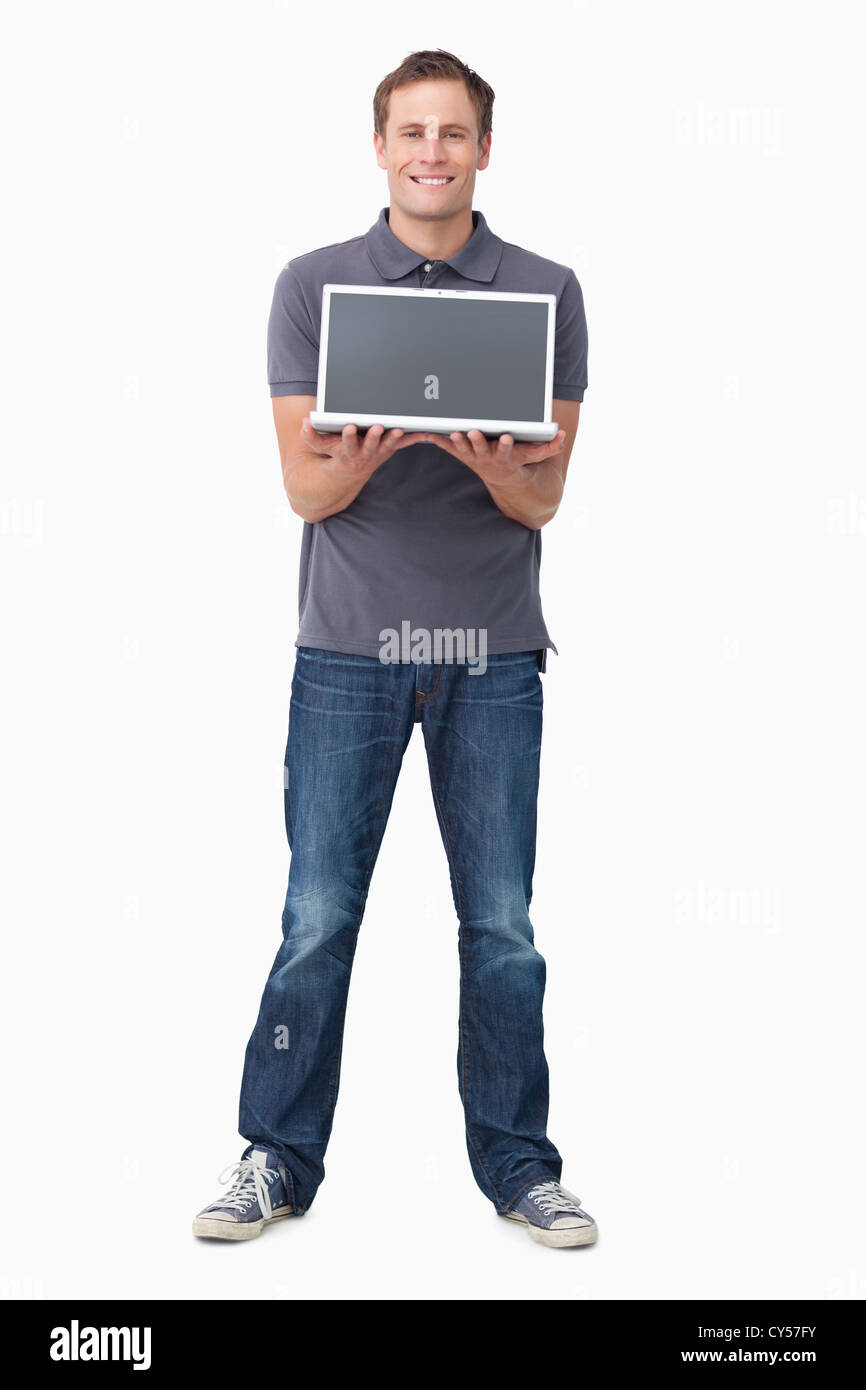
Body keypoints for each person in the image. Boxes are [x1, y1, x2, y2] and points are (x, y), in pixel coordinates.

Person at [193, 48, 597, 1249]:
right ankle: (275, 1154)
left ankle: (520, 1165)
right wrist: (369, 450)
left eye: (453, 133)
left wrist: (491, 469)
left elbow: (539, 506)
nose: (431, 152)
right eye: (411, 132)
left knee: (502, 926)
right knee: (316, 915)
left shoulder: (546, 291)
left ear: (482, 150)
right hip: (346, 651)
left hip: (494, 654)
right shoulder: (313, 286)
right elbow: (305, 490)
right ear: (379, 147)